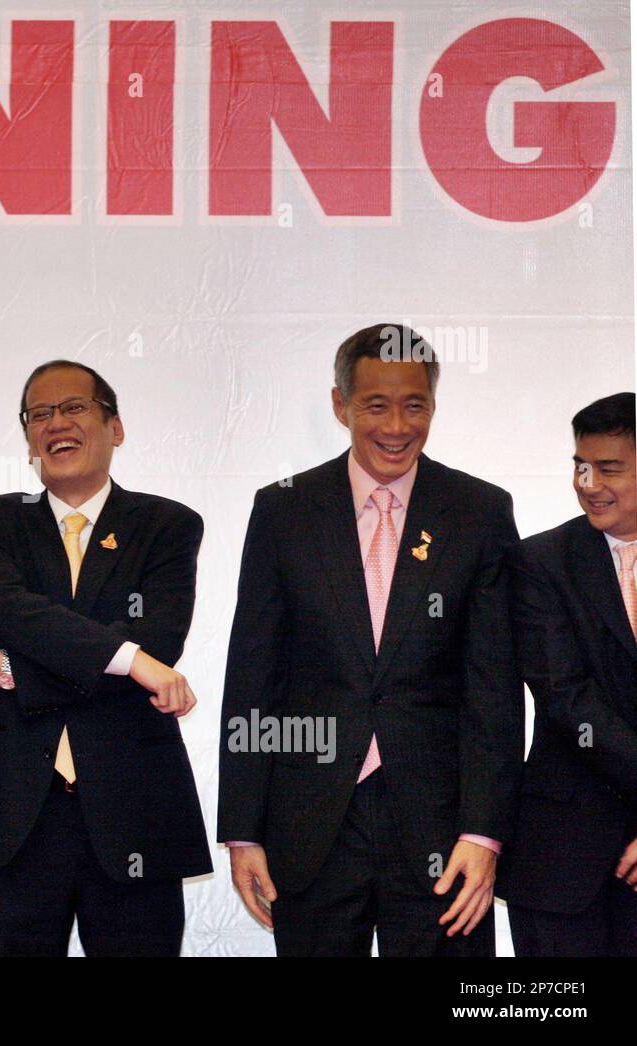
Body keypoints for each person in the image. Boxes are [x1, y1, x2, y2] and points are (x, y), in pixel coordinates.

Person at [218, 322, 522, 956]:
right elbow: (254, 674)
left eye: (415, 405)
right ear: (340, 405)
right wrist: (243, 830)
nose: (396, 425)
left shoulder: (480, 510)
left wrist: (484, 833)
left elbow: (493, 687)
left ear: (434, 406)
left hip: (444, 830)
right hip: (311, 822)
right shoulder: (283, 509)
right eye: (375, 405)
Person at [0, 360, 211, 956]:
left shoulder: (167, 525)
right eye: (39, 414)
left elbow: (159, 638)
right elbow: (2, 607)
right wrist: (131, 661)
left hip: (135, 803)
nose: (55, 423)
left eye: (74, 408)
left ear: (115, 427)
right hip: (14, 808)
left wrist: (9, 667)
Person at [499, 392, 637, 956]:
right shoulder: (541, 562)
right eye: (580, 465)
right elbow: (565, 696)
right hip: (562, 858)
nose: (588, 482)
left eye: (608, 468)